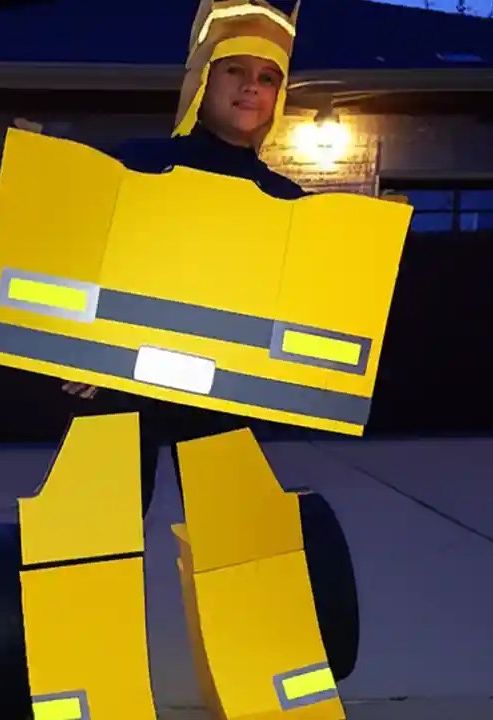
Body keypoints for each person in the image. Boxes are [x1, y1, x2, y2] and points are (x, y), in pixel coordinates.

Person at [62, 28, 309, 516]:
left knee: (231, 538)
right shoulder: (137, 164)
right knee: (97, 532)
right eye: (234, 71)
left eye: (266, 78)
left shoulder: (290, 205)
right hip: (121, 382)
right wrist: (75, 344)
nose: (251, 87)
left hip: (225, 389)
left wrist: (369, 236)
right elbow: (78, 248)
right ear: (203, 82)